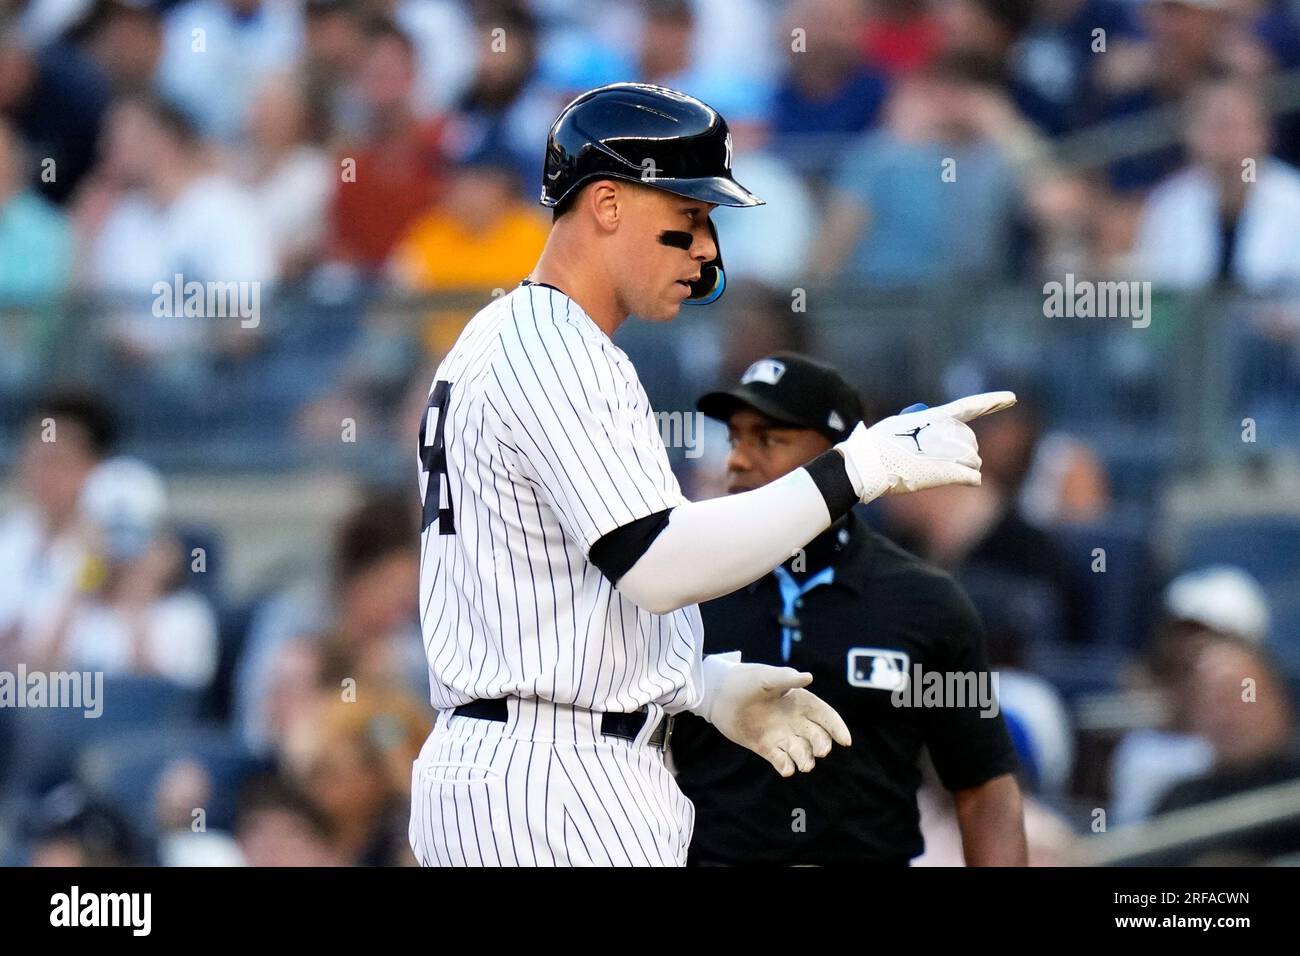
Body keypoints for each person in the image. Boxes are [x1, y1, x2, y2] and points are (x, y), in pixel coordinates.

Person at [409, 82, 1016, 867]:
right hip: (554, 779)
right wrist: (855, 468)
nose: (707, 252)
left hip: (537, 758)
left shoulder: (511, 336)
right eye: (688, 219)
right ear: (607, 204)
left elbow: (565, 583)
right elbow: (658, 562)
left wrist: (694, 688)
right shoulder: (555, 349)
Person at [670, 352, 1026, 865]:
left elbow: (983, 787)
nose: (738, 460)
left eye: (768, 439)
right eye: (735, 439)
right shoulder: (680, 590)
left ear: (841, 455)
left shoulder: (928, 602)